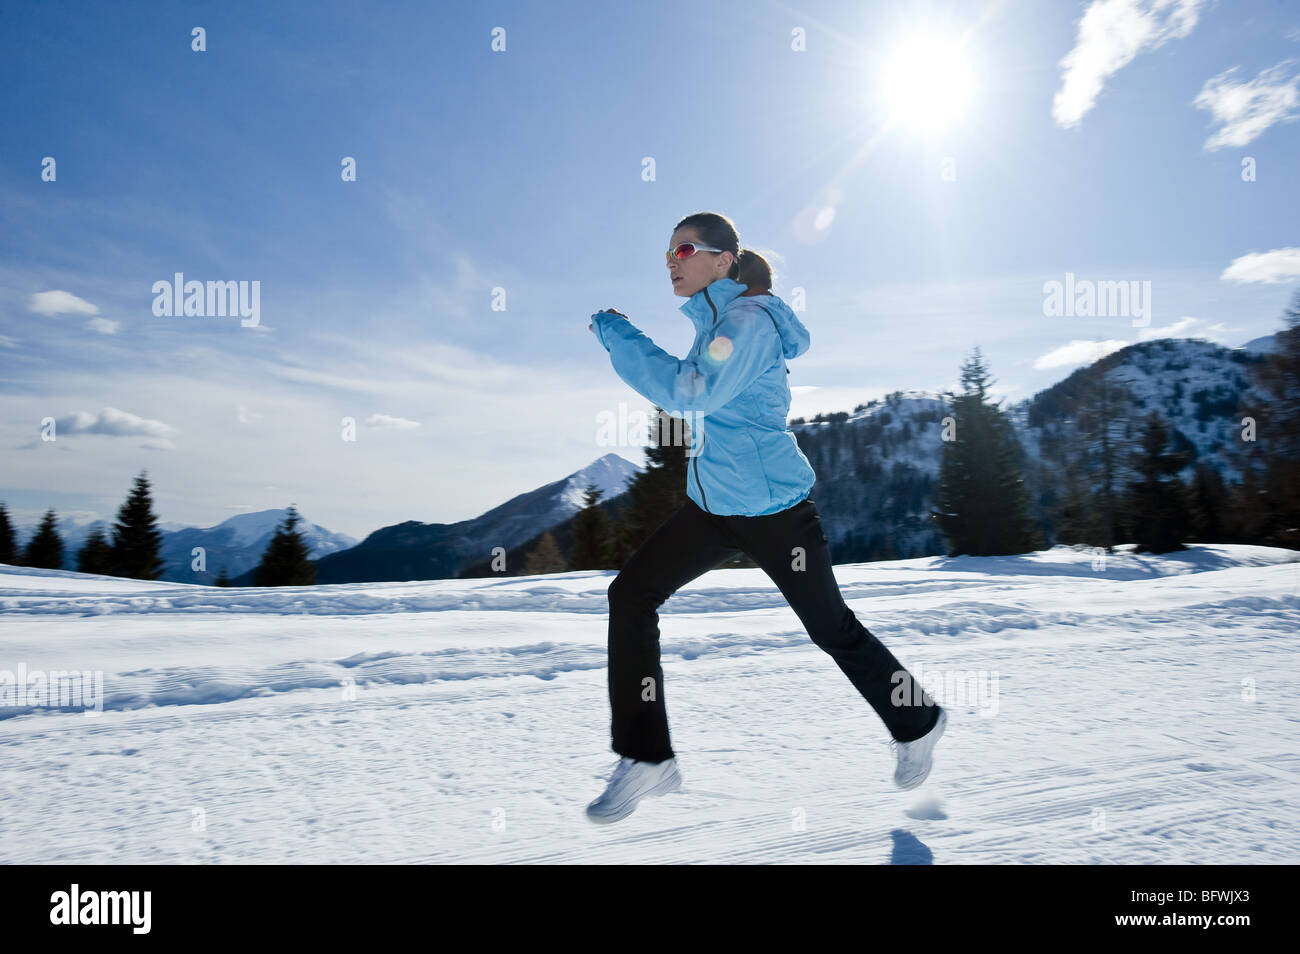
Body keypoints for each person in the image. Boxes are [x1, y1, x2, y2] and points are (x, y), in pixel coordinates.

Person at [585, 211, 947, 824]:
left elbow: (690, 392)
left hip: (774, 511)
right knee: (632, 594)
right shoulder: (718, 321)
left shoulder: (748, 323)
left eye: (686, 248)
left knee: (832, 629)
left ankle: (917, 719)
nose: (672, 261)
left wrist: (620, 336)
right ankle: (648, 757)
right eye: (667, 253)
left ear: (724, 260)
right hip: (715, 507)